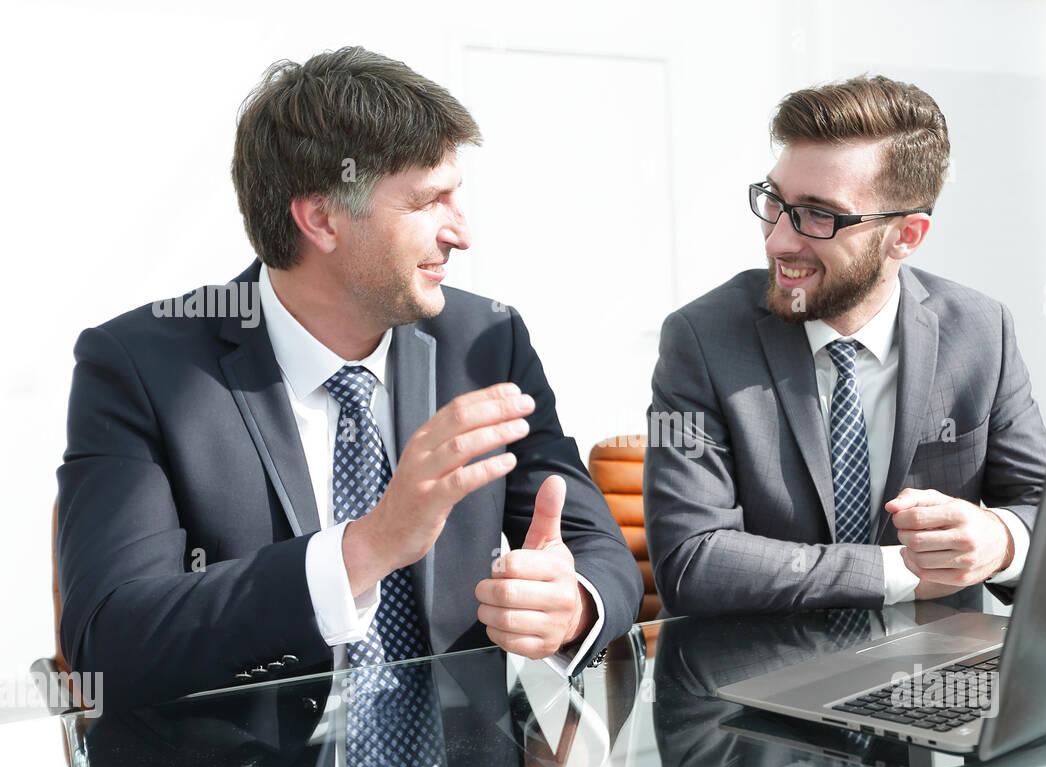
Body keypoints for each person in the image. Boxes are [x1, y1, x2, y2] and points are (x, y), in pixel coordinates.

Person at [56, 47, 642, 711]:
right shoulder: (140, 369)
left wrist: (569, 607)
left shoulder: (486, 341)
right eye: (430, 201)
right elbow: (110, 639)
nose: (463, 232)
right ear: (322, 218)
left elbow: (600, 550)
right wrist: (365, 548)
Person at [644, 74, 1046, 616]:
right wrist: (898, 572)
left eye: (819, 215)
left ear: (905, 236)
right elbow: (690, 560)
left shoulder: (981, 331)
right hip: (759, 679)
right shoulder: (702, 339)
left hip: (938, 674)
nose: (778, 240)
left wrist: (1000, 541)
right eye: (775, 201)